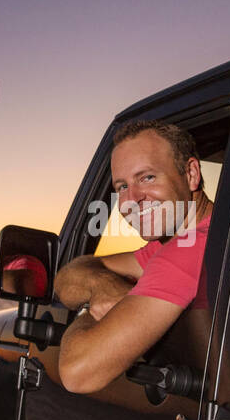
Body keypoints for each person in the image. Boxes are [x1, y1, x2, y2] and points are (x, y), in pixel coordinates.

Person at [53, 120, 213, 394]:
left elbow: (77, 373)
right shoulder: (178, 239)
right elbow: (72, 273)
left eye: (147, 177)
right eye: (122, 187)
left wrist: (92, 311)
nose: (132, 199)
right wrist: (105, 288)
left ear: (191, 174)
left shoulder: (189, 249)